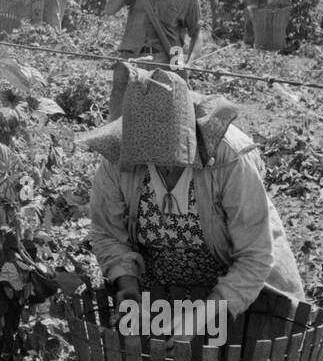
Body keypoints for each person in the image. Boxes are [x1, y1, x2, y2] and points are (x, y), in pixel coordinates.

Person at [85, 64, 304, 322]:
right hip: (158, 297)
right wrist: (128, 287)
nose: (163, 165)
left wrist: (201, 318)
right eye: (151, 155)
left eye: (171, 154)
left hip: (238, 297)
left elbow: (254, 256)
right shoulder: (120, 157)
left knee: (232, 354)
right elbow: (107, 233)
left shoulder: (227, 158)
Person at [102, 0, 202, 120]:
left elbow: (197, 32)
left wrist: (189, 63)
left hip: (165, 62)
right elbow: (109, 9)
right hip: (130, 59)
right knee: (117, 121)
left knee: (157, 123)